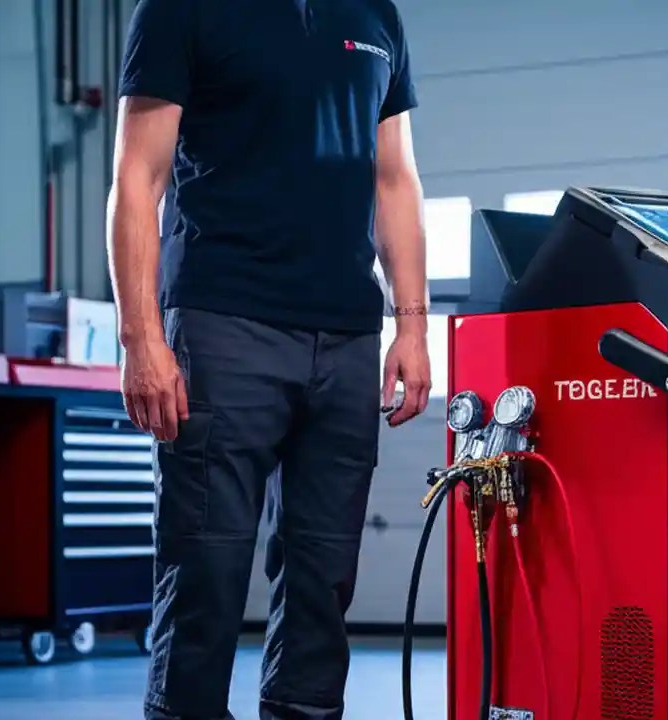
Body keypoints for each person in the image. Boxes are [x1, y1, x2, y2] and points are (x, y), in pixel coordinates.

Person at [106, 0, 431, 718]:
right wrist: (141, 338)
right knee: (204, 575)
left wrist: (412, 326)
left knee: (322, 581)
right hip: (225, 326)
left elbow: (394, 178)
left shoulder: (376, 15)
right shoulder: (181, 9)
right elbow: (138, 176)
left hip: (346, 335)